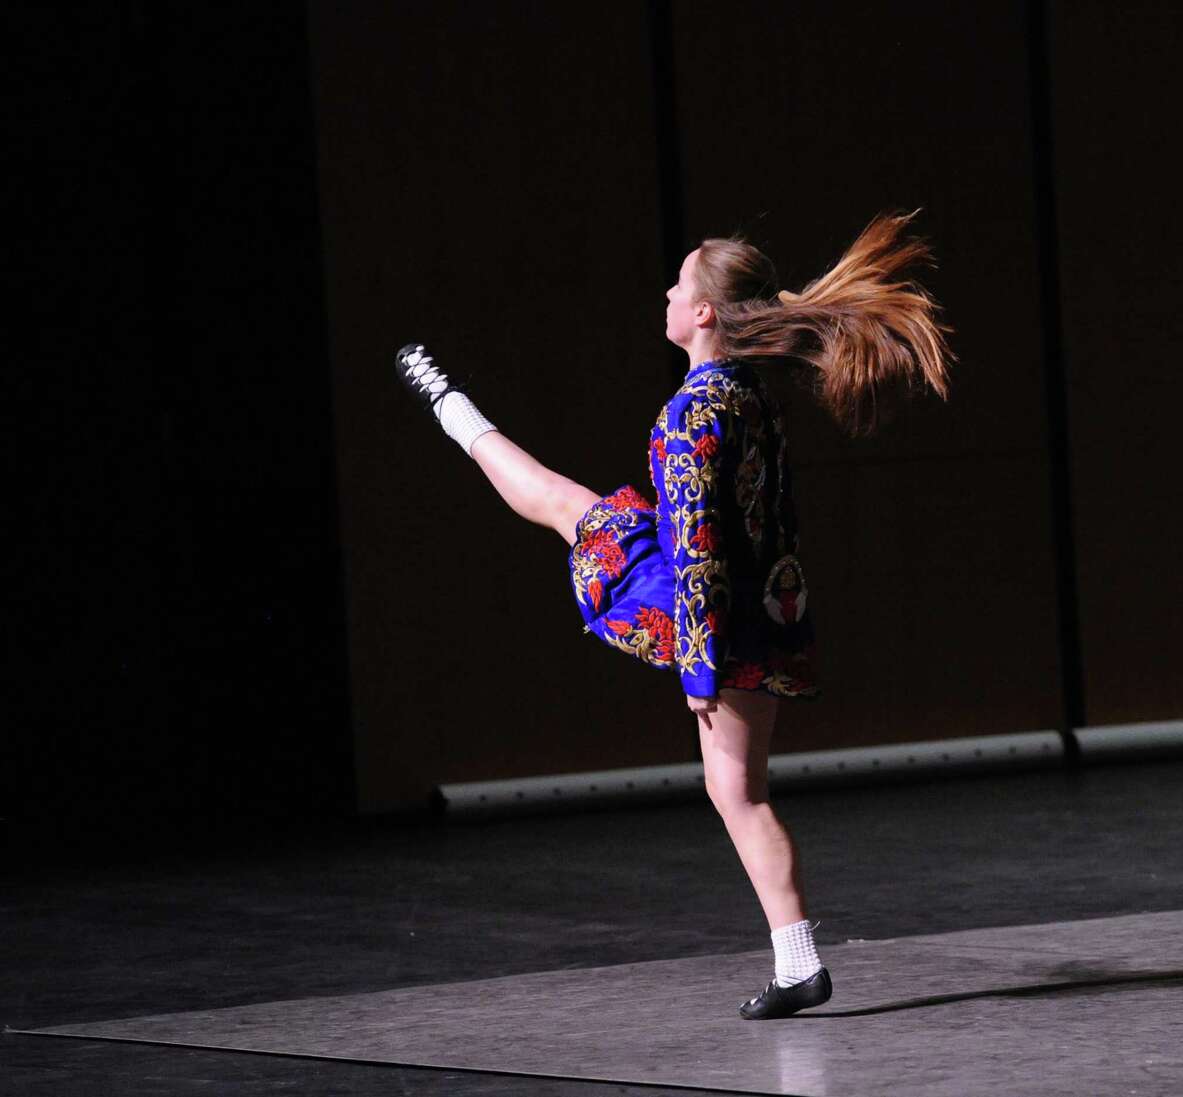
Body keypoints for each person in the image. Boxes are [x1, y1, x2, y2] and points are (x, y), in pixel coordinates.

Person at [394, 208, 955, 1019]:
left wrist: (699, 667)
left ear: (702, 314)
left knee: (569, 512)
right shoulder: (750, 398)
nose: (665, 289)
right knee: (736, 787)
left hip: (710, 610)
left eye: (679, 282)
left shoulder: (691, 414)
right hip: (761, 607)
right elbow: (765, 521)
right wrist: (778, 619)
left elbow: (696, 552)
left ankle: (449, 406)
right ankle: (796, 959)